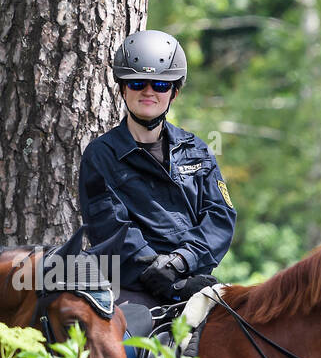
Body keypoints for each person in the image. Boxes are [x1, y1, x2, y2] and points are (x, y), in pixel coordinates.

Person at [78, 29, 236, 310]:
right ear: (123, 88)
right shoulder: (101, 155)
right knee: (130, 351)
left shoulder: (197, 149)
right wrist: (157, 271)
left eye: (160, 85)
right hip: (131, 288)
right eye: (138, 82)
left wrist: (181, 261)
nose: (148, 91)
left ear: (174, 92)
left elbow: (220, 217)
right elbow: (109, 228)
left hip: (193, 280)